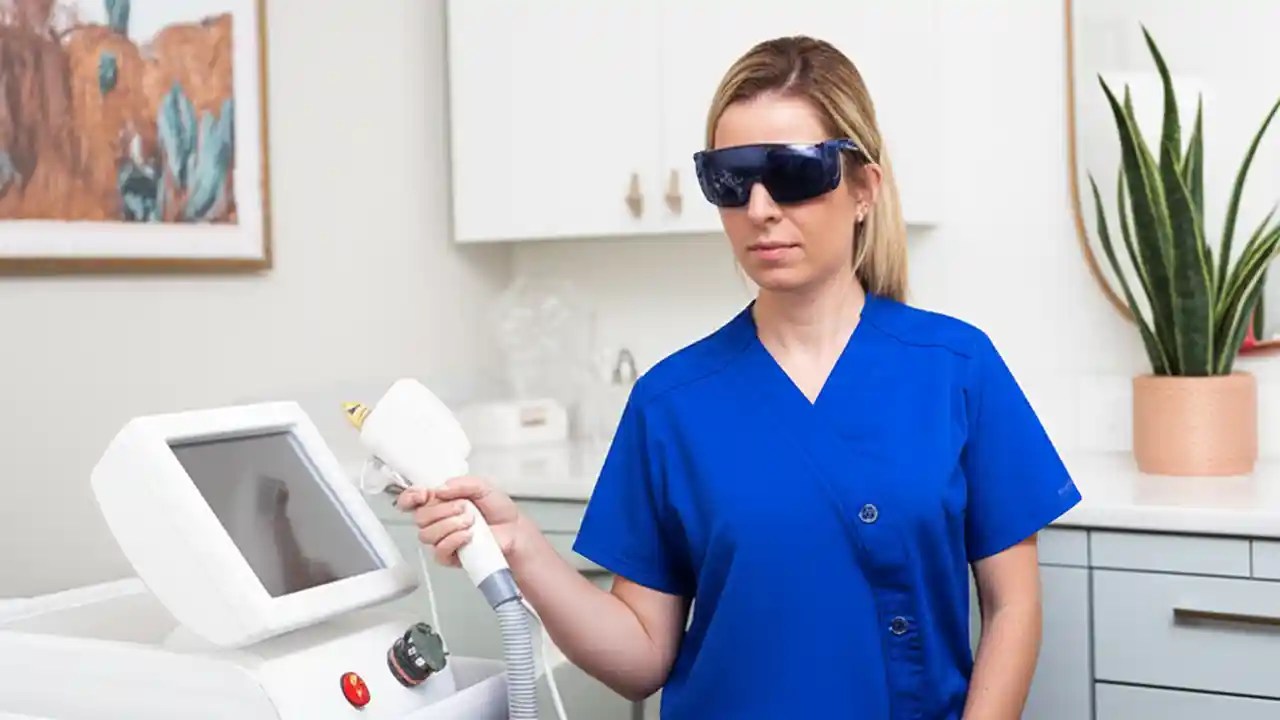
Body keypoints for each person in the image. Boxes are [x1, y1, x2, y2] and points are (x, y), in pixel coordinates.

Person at [398, 35, 1082, 719]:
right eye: (731, 180)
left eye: (792, 173)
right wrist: (518, 544)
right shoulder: (671, 404)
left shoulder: (957, 370)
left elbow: (1013, 604)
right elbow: (641, 658)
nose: (759, 208)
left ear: (864, 188)